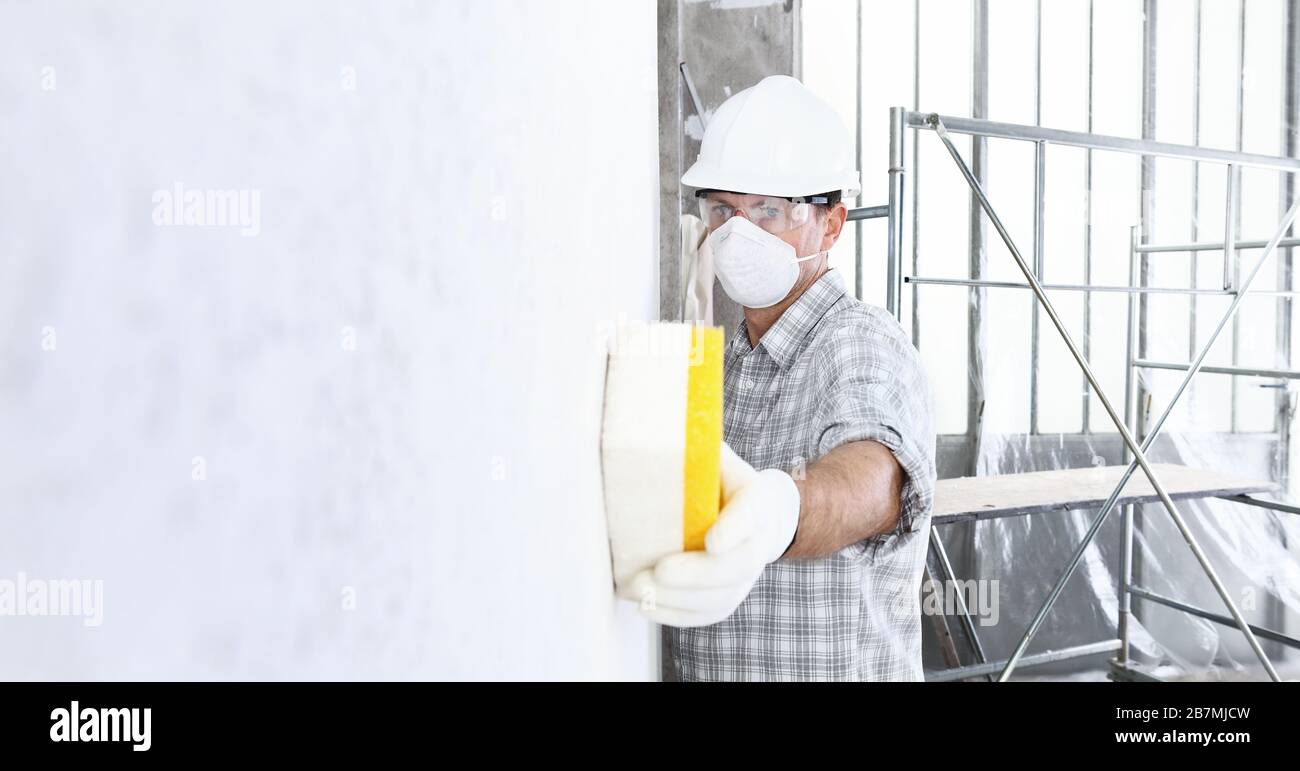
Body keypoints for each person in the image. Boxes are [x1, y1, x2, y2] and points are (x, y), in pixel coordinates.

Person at [618, 75, 936, 681]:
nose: (739, 233)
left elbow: (874, 478)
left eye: (769, 210)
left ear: (832, 224)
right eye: (723, 210)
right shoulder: (725, 365)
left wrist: (779, 511)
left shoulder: (859, 340)